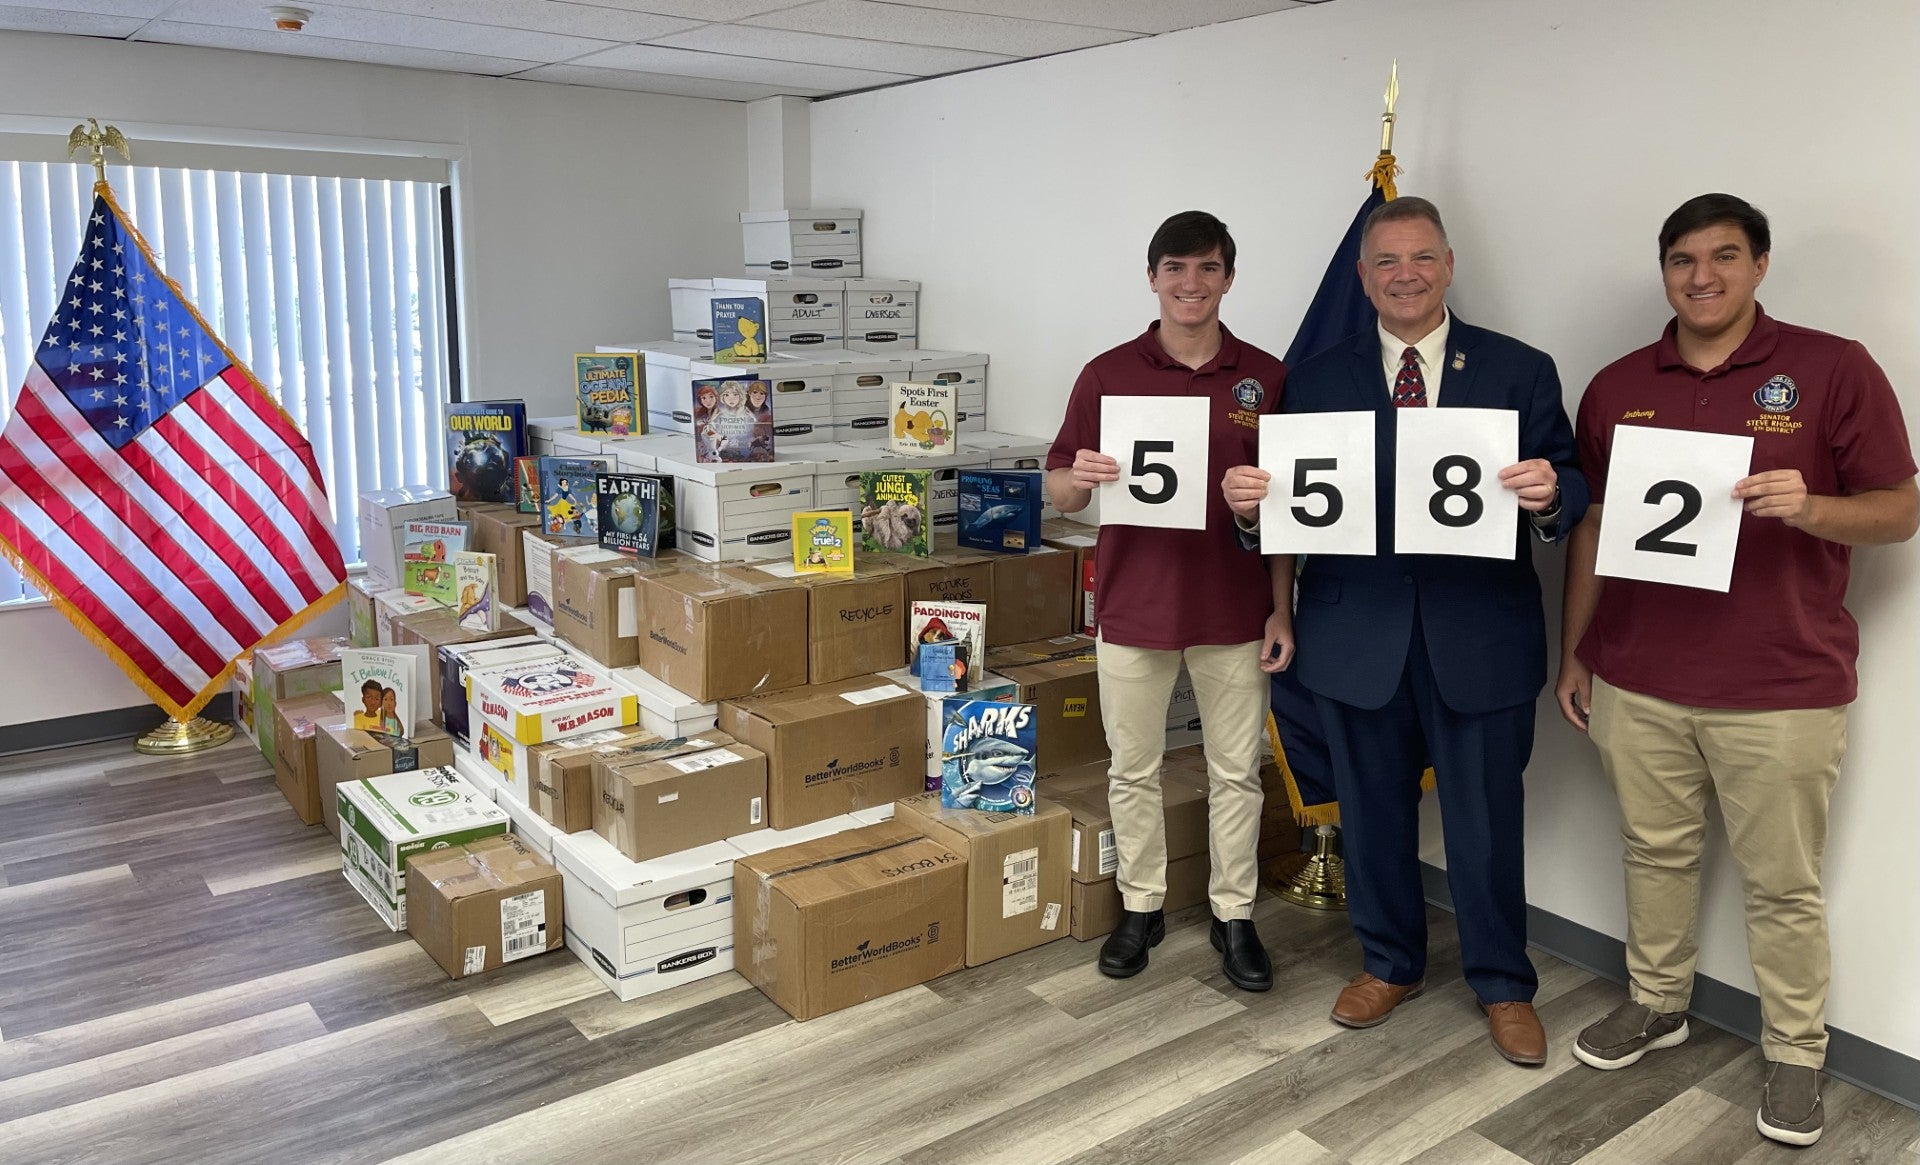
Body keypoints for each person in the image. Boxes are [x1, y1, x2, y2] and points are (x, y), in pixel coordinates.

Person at [1555, 193, 1917, 1146]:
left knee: (1783, 884)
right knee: (1653, 852)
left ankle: (1797, 1052)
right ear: (1664, 270)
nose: (1701, 276)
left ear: (1760, 264)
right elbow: (1590, 528)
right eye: (1682, 259)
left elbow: (1901, 508)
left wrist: (1815, 508)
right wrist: (1577, 650)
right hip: (1636, 673)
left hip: (1781, 684)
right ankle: (1657, 1000)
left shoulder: (1833, 367)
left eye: (1723, 256)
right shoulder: (1617, 383)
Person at [1221, 196, 1586, 1065]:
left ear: (1449, 265)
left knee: (1487, 820)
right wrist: (1248, 514)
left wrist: (1550, 494)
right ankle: (1389, 962)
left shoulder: (1518, 368)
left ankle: (1503, 982)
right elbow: (1293, 506)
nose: (1405, 275)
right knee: (1375, 815)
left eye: (1421, 257)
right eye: (1386, 261)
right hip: (1357, 634)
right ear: (1363, 276)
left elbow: (1571, 482)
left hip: (1482, 635)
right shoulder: (1315, 376)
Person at [1046, 210, 1290, 992]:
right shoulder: (1107, 371)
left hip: (1234, 608)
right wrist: (1078, 477)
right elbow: (1056, 490)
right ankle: (1141, 903)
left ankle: (1234, 913)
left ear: (1228, 277)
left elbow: (1291, 512)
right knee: (1133, 767)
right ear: (1152, 276)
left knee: (1236, 771)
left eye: (1208, 268)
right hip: (1134, 605)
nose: (1192, 283)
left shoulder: (1268, 376)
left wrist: (1282, 608)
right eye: (1176, 268)